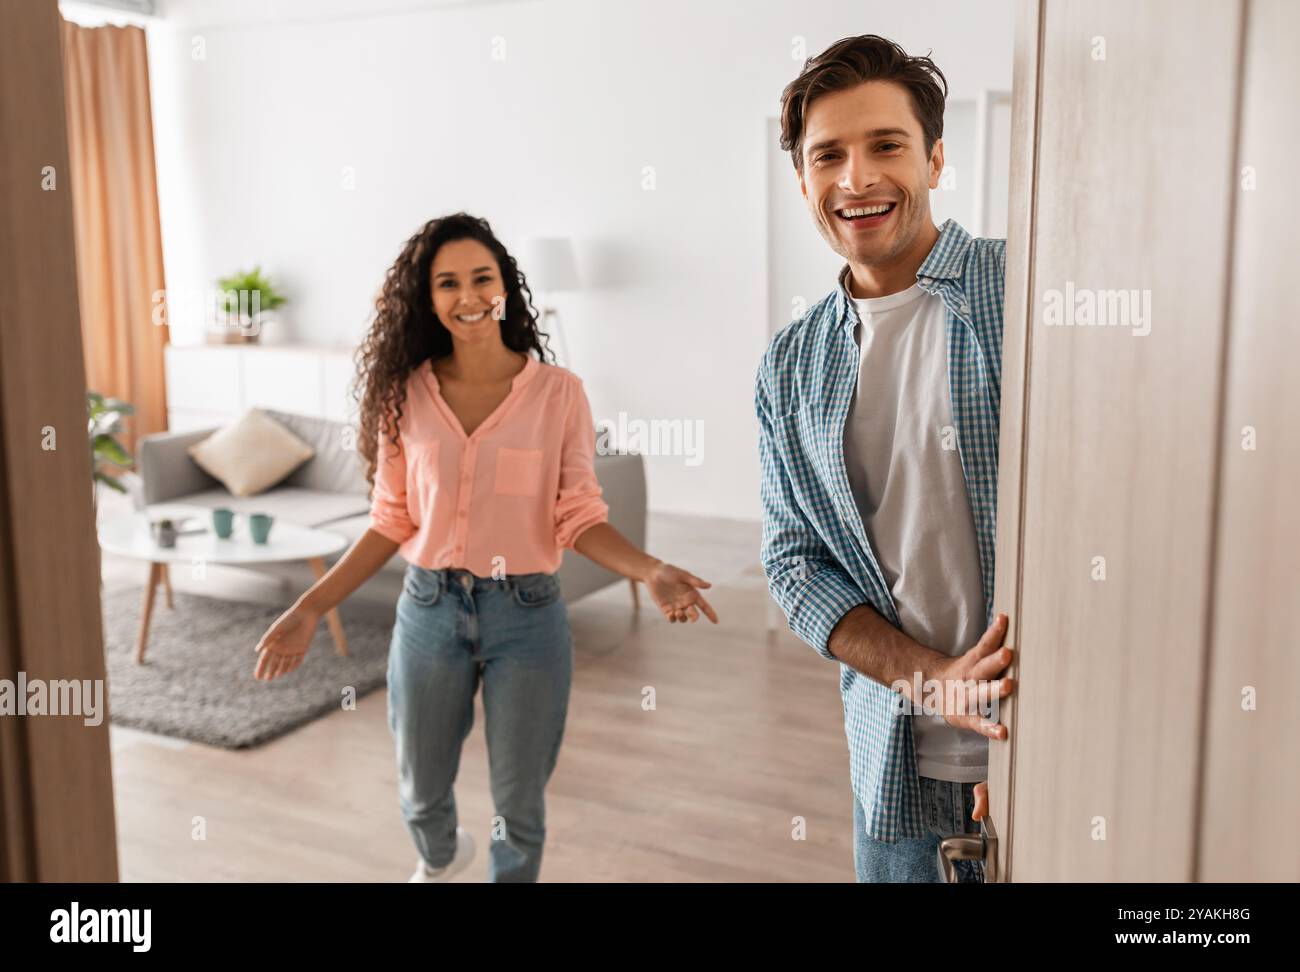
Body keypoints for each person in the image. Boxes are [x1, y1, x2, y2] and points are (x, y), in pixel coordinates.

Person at [252, 212, 718, 883]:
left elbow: (579, 516)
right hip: (429, 609)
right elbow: (389, 519)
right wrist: (307, 605)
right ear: (428, 298)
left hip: (526, 617)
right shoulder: (403, 394)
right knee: (418, 789)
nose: (468, 296)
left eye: (482, 278)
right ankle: (443, 858)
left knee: (519, 806)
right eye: (448, 283)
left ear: (506, 288)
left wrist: (650, 568)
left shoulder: (559, 395)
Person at [757, 35, 1016, 882]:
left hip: (1049, 750)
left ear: (937, 158)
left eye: (887, 146)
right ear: (802, 181)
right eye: (827, 155)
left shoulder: (1026, 292)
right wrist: (930, 678)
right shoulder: (791, 366)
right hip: (898, 773)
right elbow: (794, 565)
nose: (856, 179)